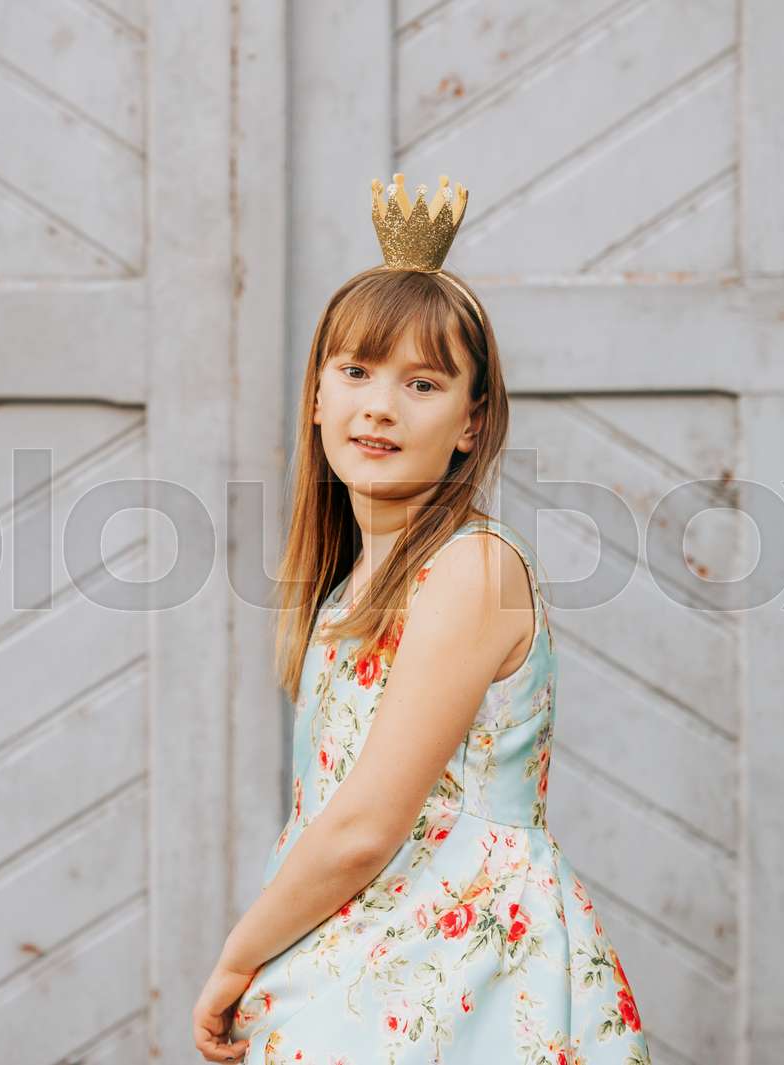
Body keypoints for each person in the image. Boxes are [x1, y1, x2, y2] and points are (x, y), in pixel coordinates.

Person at [191, 173, 652, 1065]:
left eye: (424, 382)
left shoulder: (471, 569)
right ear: (318, 394)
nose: (380, 405)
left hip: (465, 971)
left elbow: (364, 826)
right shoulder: (349, 589)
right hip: (366, 963)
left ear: (472, 422)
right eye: (356, 370)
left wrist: (235, 957)